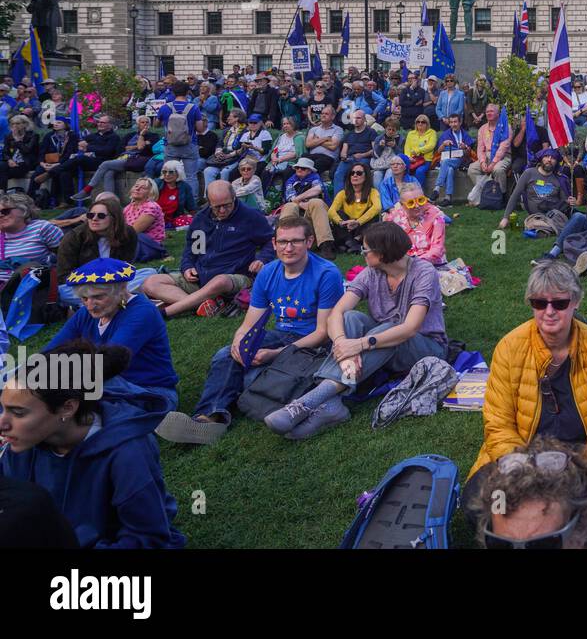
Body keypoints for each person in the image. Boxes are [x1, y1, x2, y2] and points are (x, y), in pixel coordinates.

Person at [462, 260, 587, 539]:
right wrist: (525, 476)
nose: (549, 312)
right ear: (531, 304)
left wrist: (584, 474)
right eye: (540, 303)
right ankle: (576, 527)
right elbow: (498, 424)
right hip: (524, 458)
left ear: (576, 301)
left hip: (580, 457)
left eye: (560, 304)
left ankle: (534, 529)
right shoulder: (509, 347)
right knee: (475, 502)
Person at [155, 216, 346, 445]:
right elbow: (250, 323)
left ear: (309, 241)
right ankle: (209, 418)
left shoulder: (326, 273)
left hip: (314, 344)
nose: (288, 248)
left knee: (255, 372)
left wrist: (277, 353)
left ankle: (232, 401)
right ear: (274, 243)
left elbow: (323, 332)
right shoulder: (268, 273)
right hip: (282, 335)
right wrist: (239, 341)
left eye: (296, 241)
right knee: (227, 355)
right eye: (283, 241)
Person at [263, 221, 448, 439]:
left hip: (425, 348)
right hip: (383, 342)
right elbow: (337, 313)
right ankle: (332, 405)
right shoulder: (372, 273)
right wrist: (342, 344)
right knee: (350, 318)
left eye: (366, 249)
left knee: (391, 328)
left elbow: (409, 328)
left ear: (382, 252)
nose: (362, 253)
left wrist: (360, 344)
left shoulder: (423, 272)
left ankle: (307, 401)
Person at [0, 341, 187, 548]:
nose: (3, 423)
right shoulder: (25, 442)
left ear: (67, 408)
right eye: (3, 409)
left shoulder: (127, 453)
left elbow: (147, 539)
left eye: (18, 413)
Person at [45, 259, 178, 404]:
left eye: (98, 297)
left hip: (149, 392)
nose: (90, 305)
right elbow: (51, 351)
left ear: (122, 289)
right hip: (104, 383)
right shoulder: (85, 313)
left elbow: (108, 363)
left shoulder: (142, 312)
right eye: (84, 298)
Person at [141, 180, 273, 319]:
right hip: (201, 277)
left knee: (220, 281)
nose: (222, 211)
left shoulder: (250, 216)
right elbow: (192, 250)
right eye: (217, 207)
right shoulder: (201, 219)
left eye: (227, 205)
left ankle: (166, 312)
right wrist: (187, 267)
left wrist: (262, 259)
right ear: (209, 202)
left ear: (234, 197)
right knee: (151, 282)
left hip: (234, 276)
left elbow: (271, 241)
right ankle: (205, 305)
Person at [499, 148, 573, 230]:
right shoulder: (529, 173)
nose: (549, 160)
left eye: (553, 158)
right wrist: (505, 218)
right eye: (547, 156)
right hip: (536, 216)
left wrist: (570, 201)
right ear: (541, 159)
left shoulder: (559, 179)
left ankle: (553, 227)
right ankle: (560, 227)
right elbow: (515, 195)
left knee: (576, 217)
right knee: (532, 224)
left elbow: (564, 201)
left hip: (554, 215)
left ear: (556, 162)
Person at [0, 191, 62, 286]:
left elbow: (66, 257)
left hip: (32, 288)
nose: (0, 215)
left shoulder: (41, 228)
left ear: (24, 211)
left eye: (5, 211)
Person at [278, 158, 336, 256]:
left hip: (316, 222)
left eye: (303, 168)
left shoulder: (315, 178)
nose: (299, 170)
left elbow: (317, 189)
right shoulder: (291, 181)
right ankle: (282, 240)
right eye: (297, 168)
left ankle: (326, 244)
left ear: (310, 171)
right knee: (289, 206)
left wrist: (298, 199)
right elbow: (290, 198)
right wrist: (299, 203)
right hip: (299, 221)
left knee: (316, 202)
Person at [383, 180, 447, 266]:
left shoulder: (436, 216)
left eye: (420, 200)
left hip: (431, 265)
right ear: (402, 205)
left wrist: (410, 264)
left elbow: (437, 250)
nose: (417, 206)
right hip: (401, 266)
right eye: (410, 203)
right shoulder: (394, 218)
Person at [329, 163, 382, 252]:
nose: (355, 175)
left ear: (366, 177)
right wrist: (342, 222)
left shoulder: (373, 192)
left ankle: (352, 242)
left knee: (374, 215)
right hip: (347, 227)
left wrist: (358, 222)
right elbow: (331, 211)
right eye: (352, 173)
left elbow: (377, 207)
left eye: (359, 173)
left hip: (362, 227)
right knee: (339, 213)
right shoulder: (342, 193)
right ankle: (350, 242)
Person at [123, 176, 166, 262]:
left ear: (150, 193)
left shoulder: (151, 207)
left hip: (147, 244)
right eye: (136, 186)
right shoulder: (128, 207)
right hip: (131, 239)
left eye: (143, 188)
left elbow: (134, 231)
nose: (138, 189)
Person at [304, 104, 344, 182]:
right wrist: (325, 139)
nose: (323, 115)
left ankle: (307, 184)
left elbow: (333, 146)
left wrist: (317, 140)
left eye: (326, 114)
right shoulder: (313, 129)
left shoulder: (338, 130)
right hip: (312, 156)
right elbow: (308, 144)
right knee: (303, 157)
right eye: (322, 113)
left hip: (328, 157)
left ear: (333, 116)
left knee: (318, 163)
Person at [154, 159, 196, 228]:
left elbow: (191, 208)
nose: (167, 174)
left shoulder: (185, 187)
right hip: (154, 218)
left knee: (191, 221)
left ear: (178, 173)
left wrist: (193, 217)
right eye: (164, 172)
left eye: (171, 172)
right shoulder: (156, 183)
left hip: (174, 219)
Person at [402, 113, 438, 183]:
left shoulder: (432, 133)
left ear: (427, 124)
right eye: (418, 122)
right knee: (404, 170)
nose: (420, 124)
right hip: (412, 159)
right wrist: (409, 157)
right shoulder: (411, 133)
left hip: (425, 160)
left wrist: (417, 151)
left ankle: (418, 192)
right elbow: (407, 147)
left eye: (423, 122)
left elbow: (431, 146)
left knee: (419, 171)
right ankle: (405, 191)